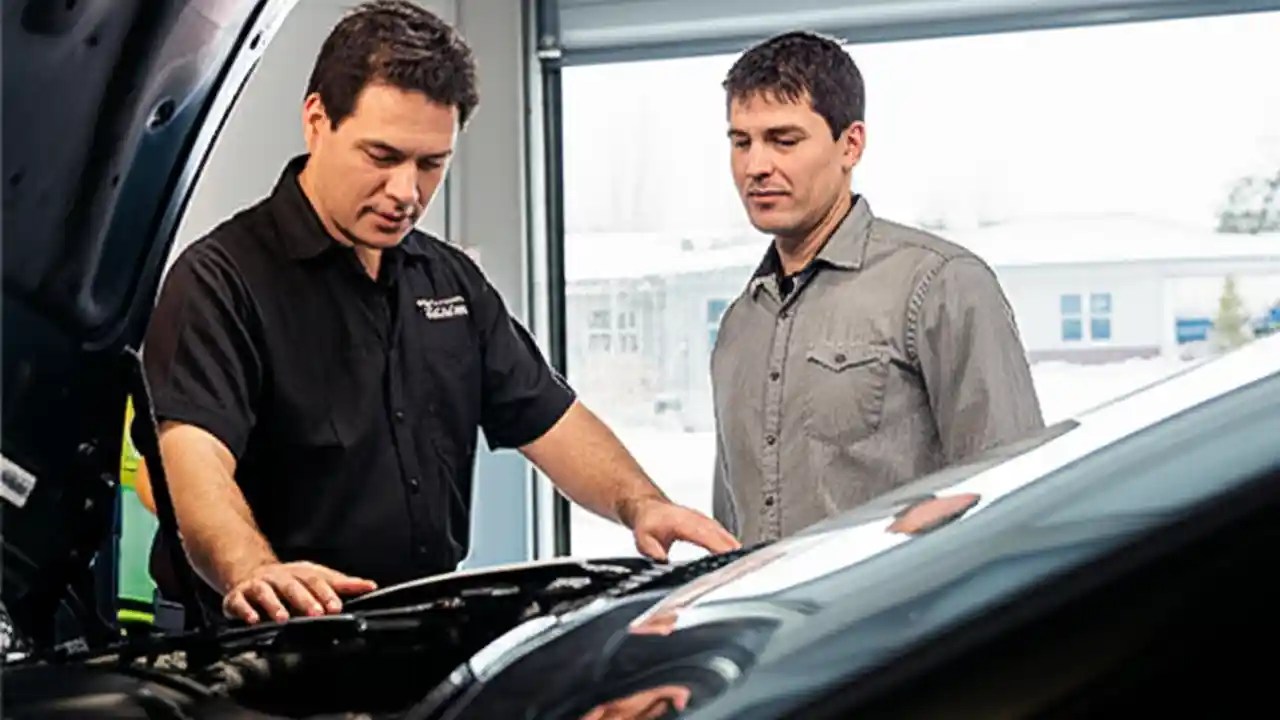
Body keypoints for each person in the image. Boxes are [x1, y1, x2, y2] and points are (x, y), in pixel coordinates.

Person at [143, 0, 738, 626]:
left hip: (416, 631)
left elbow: (551, 418)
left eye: (431, 164)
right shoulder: (220, 280)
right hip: (263, 640)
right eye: (383, 156)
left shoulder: (449, 279)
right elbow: (186, 463)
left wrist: (640, 503)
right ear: (317, 121)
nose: (407, 193)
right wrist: (251, 570)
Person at [710, 31, 1045, 545]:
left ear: (851, 144)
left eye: (784, 140)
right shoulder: (740, 324)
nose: (756, 167)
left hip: (910, 622)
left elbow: (1012, 499)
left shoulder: (941, 285)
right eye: (741, 142)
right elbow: (732, 526)